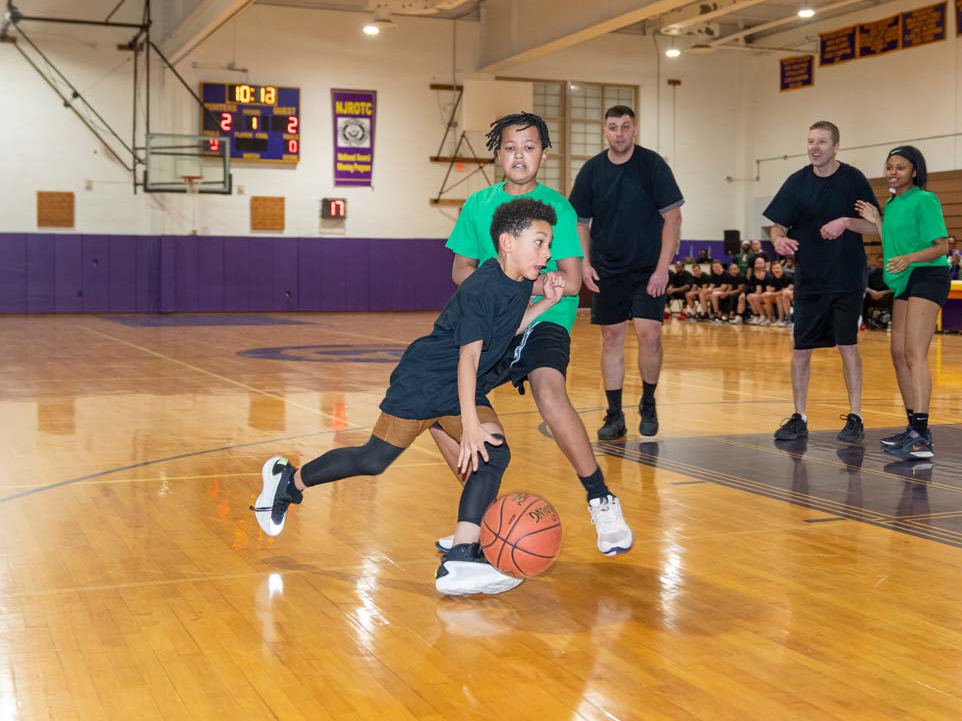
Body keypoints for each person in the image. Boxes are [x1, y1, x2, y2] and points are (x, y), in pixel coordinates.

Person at [252, 199, 568, 596]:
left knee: (493, 452)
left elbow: (503, 332)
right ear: (507, 242)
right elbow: (468, 358)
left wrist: (547, 303)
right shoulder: (481, 288)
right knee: (372, 460)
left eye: (549, 244)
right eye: (540, 243)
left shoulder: (518, 283)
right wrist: (469, 423)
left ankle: (463, 555)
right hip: (425, 381)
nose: (548, 253)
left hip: (457, 387)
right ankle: (288, 481)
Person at [437, 112, 633, 556]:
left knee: (549, 389)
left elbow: (572, 278)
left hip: (545, 318)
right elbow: (459, 269)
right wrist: (497, 294)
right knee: (437, 401)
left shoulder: (557, 208)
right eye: (509, 147)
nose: (519, 155)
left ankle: (600, 498)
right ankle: (482, 518)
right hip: (495, 324)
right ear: (498, 154)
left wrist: (533, 289)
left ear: (543, 154)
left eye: (528, 147)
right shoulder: (477, 205)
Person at [571, 105, 684, 440]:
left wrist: (663, 268)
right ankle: (615, 414)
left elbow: (673, 218)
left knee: (650, 334)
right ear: (604, 131)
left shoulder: (652, 166)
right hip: (607, 269)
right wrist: (585, 262)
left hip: (648, 268)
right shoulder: (592, 170)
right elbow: (580, 222)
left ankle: (648, 403)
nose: (619, 133)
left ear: (635, 129)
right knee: (611, 339)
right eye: (612, 127)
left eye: (624, 127)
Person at [766, 120, 880, 444]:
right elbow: (777, 226)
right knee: (801, 350)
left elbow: (875, 227)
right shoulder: (796, 183)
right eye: (811, 141)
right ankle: (799, 417)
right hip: (810, 280)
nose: (815, 147)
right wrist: (778, 240)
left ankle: (855, 416)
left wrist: (846, 222)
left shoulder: (853, 180)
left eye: (822, 142)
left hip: (846, 278)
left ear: (836, 147)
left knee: (848, 346)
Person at [855, 145, 951, 459]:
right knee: (897, 352)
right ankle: (913, 427)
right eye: (889, 167)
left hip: (928, 274)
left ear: (914, 171)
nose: (893, 172)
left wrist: (909, 258)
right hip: (906, 278)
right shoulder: (894, 202)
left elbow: (940, 247)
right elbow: (895, 244)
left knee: (914, 353)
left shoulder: (925, 199)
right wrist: (878, 221)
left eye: (900, 167)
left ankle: (922, 435)